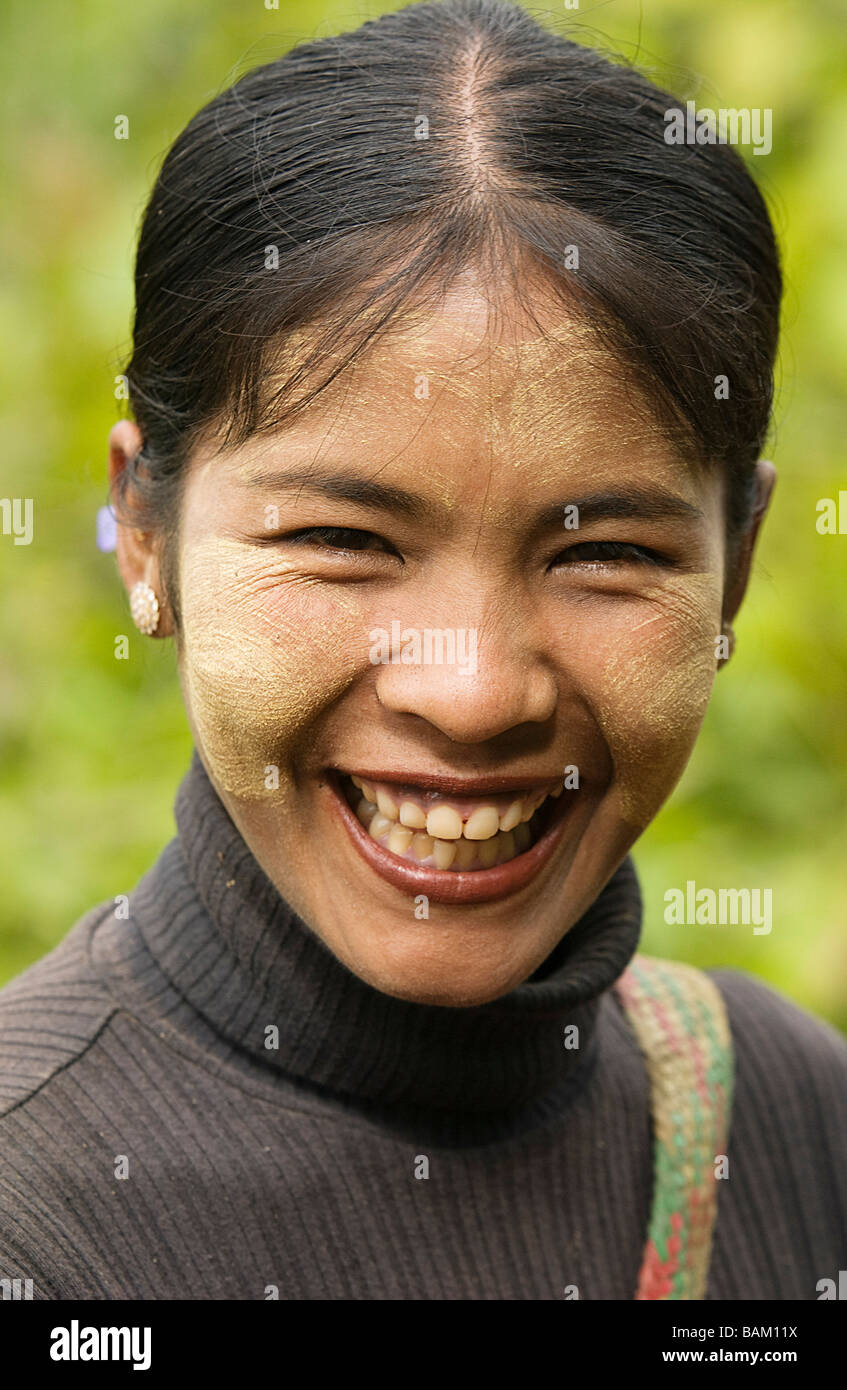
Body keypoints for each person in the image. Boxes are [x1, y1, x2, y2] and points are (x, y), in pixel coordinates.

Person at [1, 0, 844, 1301]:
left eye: (602, 553)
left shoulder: (791, 1126)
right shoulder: (40, 1219)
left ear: (734, 563)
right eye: (345, 538)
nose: (475, 692)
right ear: (146, 535)